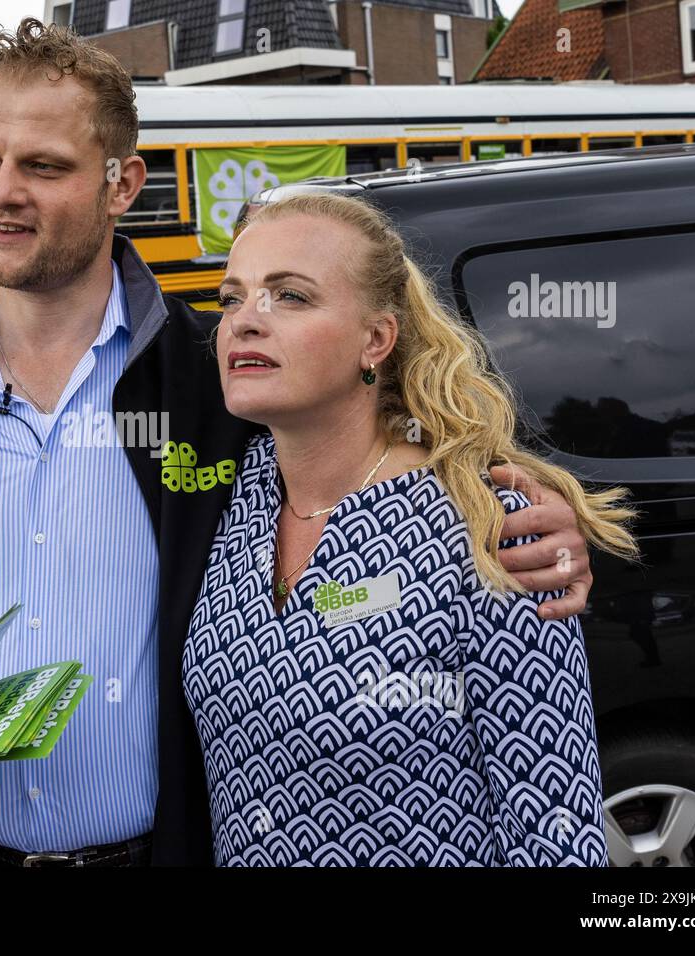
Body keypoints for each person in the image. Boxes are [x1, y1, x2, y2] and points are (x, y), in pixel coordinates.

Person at [0, 17, 598, 867]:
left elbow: (361, 439)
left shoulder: (213, 385)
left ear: (122, 183)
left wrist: (527, 511)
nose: (2, 191)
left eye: (45, 166)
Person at [182, 194, 641, 866]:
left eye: (291, 297)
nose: (247, 321)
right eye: (232, 297)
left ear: (376, 339)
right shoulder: (231, 495)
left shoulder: (493, 527)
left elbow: (555, 832)